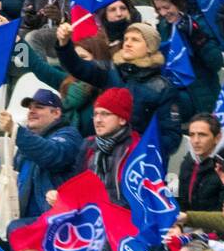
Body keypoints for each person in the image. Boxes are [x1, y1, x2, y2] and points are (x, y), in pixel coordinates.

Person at [57, 19, 181, 154]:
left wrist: (140, 149)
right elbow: (77, 66)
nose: (127, 43)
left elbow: (172, 137)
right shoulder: (109, 71)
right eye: (126, 39)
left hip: (137, 161)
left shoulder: (163, 88)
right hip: (105, 153)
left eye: (135, 40)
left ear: (150, 48)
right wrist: (64, 44)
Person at [0, 88, 83, 219]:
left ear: (56, 113)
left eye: (39, 107)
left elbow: (51, 154)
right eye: (30, 108)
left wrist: (15, 130)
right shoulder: (26, 140)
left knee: (13, 230)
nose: (31, 111)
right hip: (18, 216)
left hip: (51, 220)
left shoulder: (70, 135)